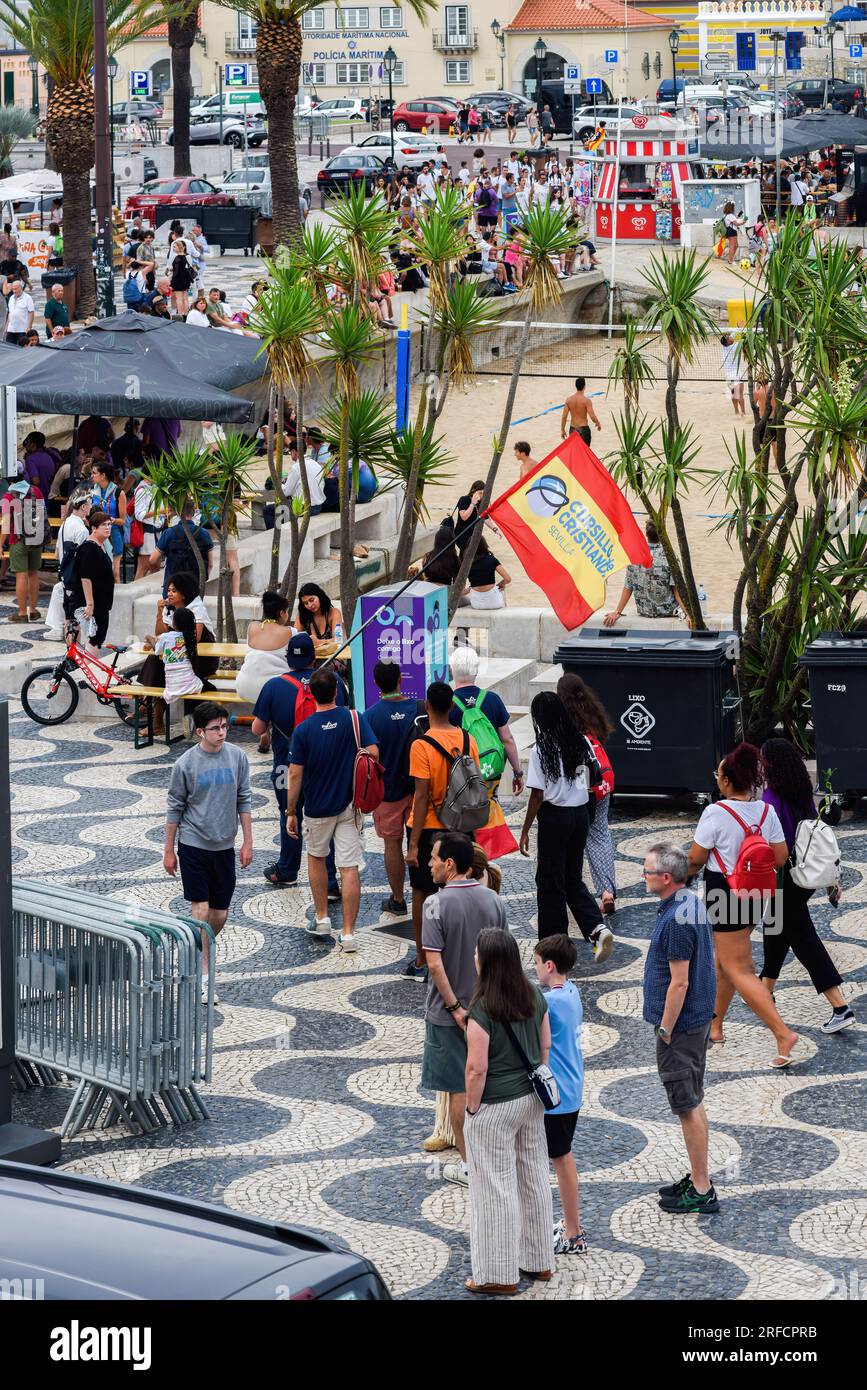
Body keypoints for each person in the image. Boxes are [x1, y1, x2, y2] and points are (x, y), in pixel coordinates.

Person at [687, 742, 800, 1067]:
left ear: (725, 781)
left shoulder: (716, 812)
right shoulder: (767, 811)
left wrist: (684, 874)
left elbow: (696, 857)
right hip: (758, 893)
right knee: (725, 962)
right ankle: (715, 1026)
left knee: (739, 968)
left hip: (724, 893)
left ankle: (782, 1033)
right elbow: (780, 857)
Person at [463, 929, 554, 1295]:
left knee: (494, 1189)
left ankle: (498, 1274)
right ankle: (540, 1261)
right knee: (533, 1178)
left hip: (495, 1107)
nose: (473, 957)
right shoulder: (533, 994)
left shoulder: (481, 1009)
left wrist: (472, 1110)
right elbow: (545, 1046)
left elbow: (476, 1069)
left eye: (475, 953)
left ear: (485, 962)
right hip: (531, 1101)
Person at [422, 831, 509, 1188]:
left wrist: (455, 1007)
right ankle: (491, 1154)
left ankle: (470, 1163)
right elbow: (504, 955)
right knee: (490, 1084)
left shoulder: (434, 904)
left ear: (450, 865)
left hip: (448, 1014)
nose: (429, 864)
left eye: (434, 858)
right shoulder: (493, 900)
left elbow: (434, 964)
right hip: (490, 1006)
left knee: (459, 1088)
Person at [755, 739, 853, 1033]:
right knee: (776, 927)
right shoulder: (802, 793)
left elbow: (774, 844)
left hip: (786, 877)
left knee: (802, 937)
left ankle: (840, 1006)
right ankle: (764, 990)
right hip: (805, 876)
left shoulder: (772, 798)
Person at [642, 842, 719, 1215]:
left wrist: (665, 1030)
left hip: (681, 1027)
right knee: (694, 1100)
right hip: (698, 1021)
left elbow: (679, 983)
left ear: (666, 877)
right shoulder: (690, 903)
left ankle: (702, 1189)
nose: (644, 877)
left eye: (647, 872)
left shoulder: (676, 918)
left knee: (687, 1105)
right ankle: (698, 1175)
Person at [165, 702, 253, 1002]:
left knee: (220, 913)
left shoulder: (238, 757)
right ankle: (203, 975)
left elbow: (244, 798)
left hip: (224, 846)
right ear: (200, 731)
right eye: (216, 728)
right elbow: (174, 807)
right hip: (193, 845)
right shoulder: (186, 764)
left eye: (225, 726)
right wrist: (168, 850)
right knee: (200, 910)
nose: (222, 732)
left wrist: (248, 841)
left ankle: (195, 950)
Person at [285, 667, 377, 950]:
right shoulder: (354, 719)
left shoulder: (303, 731)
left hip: (316, 808)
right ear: (336, 692)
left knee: (316, 858)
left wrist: (291, 811)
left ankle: (322, 916)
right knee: (349, 868)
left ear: (310, 694)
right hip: (349, 806)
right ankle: (348, 933)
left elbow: (295, 775)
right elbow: (374, 753)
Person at [519, 691, 612, 959]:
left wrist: (525, 830)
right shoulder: (580, 741)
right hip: (579, 815)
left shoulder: (542, 748)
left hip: (555, 817)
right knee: (572, 877)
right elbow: (587, 782)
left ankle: (553, 945)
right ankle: (596, 929)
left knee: (550, 880)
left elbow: (537, 795)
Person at [252, 631, 345, 892]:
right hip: (325, 767)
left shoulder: (273, 686)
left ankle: (287, 869)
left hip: (286, 765)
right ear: (314, 657)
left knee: (289, 815)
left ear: (287, 658)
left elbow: (258, 729)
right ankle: (329, 880)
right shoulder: (331, 681)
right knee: (324, 820)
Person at [405, 681, 481, 981]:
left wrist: (413, 845)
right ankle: (461, 956)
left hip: (430, 831)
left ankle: (423, 961)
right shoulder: (467, 739)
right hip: (461, 828)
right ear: (452, 706)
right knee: (461, 892)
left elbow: (420, 797)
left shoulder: (421, 745)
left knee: (422, 894)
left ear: (426, 706)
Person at [533, 934, 587, 1253]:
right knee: (562, 1157)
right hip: (571, 1089)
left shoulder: (550, 1002)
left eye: (537, 963)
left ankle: (573, 1233)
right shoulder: (571, 991)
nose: (535, 969)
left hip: (556, 1097)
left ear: (550, 965)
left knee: (561, 1159)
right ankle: (571, 1226)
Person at [366, 661, 423, 920]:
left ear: (376, 683)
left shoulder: (371, 716)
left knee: (392, 844)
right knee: (420, 841)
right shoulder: (419, 709)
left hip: (387, 793)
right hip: (417, 790)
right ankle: (424, 893)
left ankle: (398, 898)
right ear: (401, 678)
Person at [558, 672, 617, 916]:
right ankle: (607, 891)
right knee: (600, 835)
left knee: (575, 838)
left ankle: (573, 891)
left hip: (582, 787)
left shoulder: (564, 722)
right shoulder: (592, 714)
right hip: (603, 780)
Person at [603, 521, 690, 624]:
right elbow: (677, 593)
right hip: (667, 611)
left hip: (644, 611)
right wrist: (689, 614)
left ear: (646, 534)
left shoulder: (635, 555)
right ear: (663, 533)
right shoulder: (670, 556)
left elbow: (628, 587)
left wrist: (617, 611)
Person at [236, 590, 296, 718]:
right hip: (274, 689)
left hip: (244, 686)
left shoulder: (251, 627)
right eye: (287, 611)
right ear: (281, 613)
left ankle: (264, 726)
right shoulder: (290, 632)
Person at [152, 604, 214, 714]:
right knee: (212, 689)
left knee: (193, 692)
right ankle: (205, 719)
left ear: (174, 623)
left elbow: (157, 651)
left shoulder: (166, 637)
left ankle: (191, 722)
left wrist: (149, 638)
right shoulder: (191, 639)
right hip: (191, 685)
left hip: (171, 687)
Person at [68, 509, 114, 651]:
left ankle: (88, 669)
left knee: (98, 636)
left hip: (101, 602)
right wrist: (90, 604)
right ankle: (86, 671)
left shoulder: (101, 545)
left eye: (109, 524)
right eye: (103, 525)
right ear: (94, 528)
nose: (108, 528)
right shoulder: (89, 548)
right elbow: (85, 577)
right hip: (92, 602)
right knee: (95, 637)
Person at [1, 477, 45, 622]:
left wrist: (0, 544)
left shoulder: (8, 497)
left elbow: (6, 526)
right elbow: (41, 514)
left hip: (18, 539)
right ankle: (33, 610)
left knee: (21, 575)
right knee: (33, 574)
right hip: (36, 538)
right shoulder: (36, 490)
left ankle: (21, 613)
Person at [149, 501, 213, 595]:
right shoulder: (204, 533)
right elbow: (210, 564)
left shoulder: (169, 533)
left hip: (172, 586)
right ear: (194, 513)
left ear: (178, 512)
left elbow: (152, 560)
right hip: (194, 586)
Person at [90, 460, 124, 582]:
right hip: (97, 534)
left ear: (103, 475)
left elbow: (123, 521)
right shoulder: (93, 491)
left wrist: (110, 520)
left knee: (115, 573)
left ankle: (116, 600)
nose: (92, 476)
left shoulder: (118, 492)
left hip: (113, 532)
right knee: (98, 571)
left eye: (94, 473)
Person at [295, 582, 344, 655]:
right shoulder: (303, 614)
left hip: (332, 656)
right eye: (305, 603)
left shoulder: (334, 613)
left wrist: (318, 642)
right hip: (310, 657)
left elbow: (338, 641)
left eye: (311, 600)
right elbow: (295, 639)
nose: (310, 605)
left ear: (320, 596)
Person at [463, 535, 511, 610]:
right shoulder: (492, 559)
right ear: (484, 545)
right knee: (502, 589)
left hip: (477, 604)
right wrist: (501, 584)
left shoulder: (466, 563)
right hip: (495, 603)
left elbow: (461, 591)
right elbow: (507, 579)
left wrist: (470, 589)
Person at [560, 377, 601, 445]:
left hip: (573, 430)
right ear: (584, 386)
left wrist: (562, 430)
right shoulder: (586, 401)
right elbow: (592, 416)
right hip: (584, 430)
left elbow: (564, 416)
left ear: (576, 386)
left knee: (575, 453)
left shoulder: (568, 400)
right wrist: (597, 423)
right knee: (584, 453)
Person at [720, 333, 745, 416]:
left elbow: (732, 336)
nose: (731, 337)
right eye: (729, 338)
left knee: (734, 394)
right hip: (736, 374)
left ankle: (736, 411)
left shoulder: (724, 347)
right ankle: (743, 413)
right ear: (728, 342)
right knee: (740, 394)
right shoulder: (735, 347)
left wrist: (737, 328)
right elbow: (744, 339)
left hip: (728, 375)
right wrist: (742, 330)